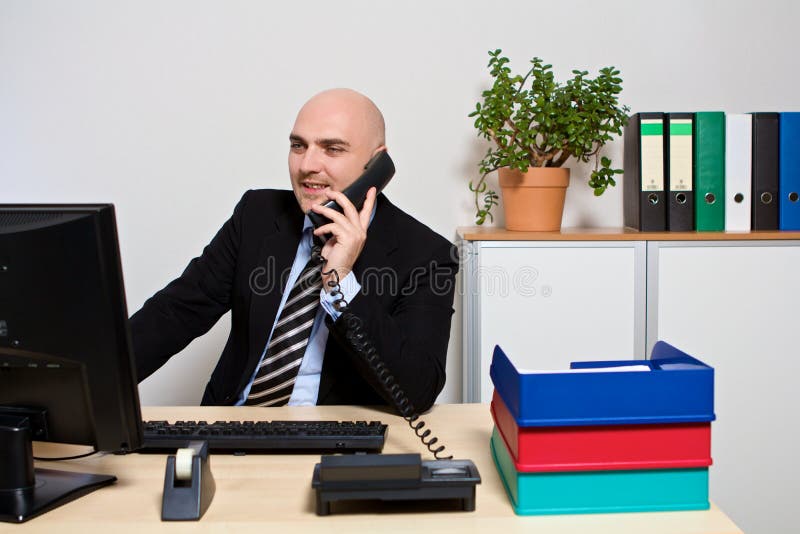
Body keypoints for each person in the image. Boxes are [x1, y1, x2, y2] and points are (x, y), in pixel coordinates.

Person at [130, 88, 458, 413]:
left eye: (332, 149)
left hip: (333, 439)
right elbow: (174, 314)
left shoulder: (426, 255)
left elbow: (417, 389)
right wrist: (101, 382)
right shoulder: (256, 215)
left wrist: (342, 280)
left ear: (376, 164)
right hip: (233, 426)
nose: (307, 165)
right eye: (298, 146)